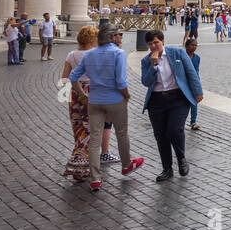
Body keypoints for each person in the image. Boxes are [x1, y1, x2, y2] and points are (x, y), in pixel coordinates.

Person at [68, 22, 145, 192]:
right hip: (114, 99)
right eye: (119, 34)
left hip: (94, 100)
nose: (120, 37)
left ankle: (95, 178)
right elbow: (121, 81)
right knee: (122, 133)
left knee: (95, 139)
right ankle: (126, 165)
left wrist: (82, 95)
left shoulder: (90, 54)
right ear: (112, 37)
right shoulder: (118, 53)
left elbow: (73, 77)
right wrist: (126, 95)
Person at [140, 30, 204, 182]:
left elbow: (191, 73)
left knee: (175, 129)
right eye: (150, 44)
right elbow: (146, 81)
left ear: (163, 41)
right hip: (156, 100)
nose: (153, 46)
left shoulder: (177, 53)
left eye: (156, 42)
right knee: (160, 135)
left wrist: (197, 92)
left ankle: (181, 158)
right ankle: (167, 168)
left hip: (177, 98)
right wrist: (153, 65)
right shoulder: (146, 60)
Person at [62, 26, 118, 180]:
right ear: (93, 39)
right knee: (92, 132)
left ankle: (81, 168)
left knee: (79, 129)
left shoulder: (71, 55)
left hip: (74, 95)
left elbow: (64, 78)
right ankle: (77, 164)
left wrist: (72, 95)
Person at [184, 36, 202, 130]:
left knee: (194, 103)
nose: (194, 47)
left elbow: (196, 71)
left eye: (196, 45)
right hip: (183, 83)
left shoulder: (197, 58)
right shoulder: (182, 56)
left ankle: (193, 122)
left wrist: (198, 84)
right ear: (186, 46)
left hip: (194, 83)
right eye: (192, 45)